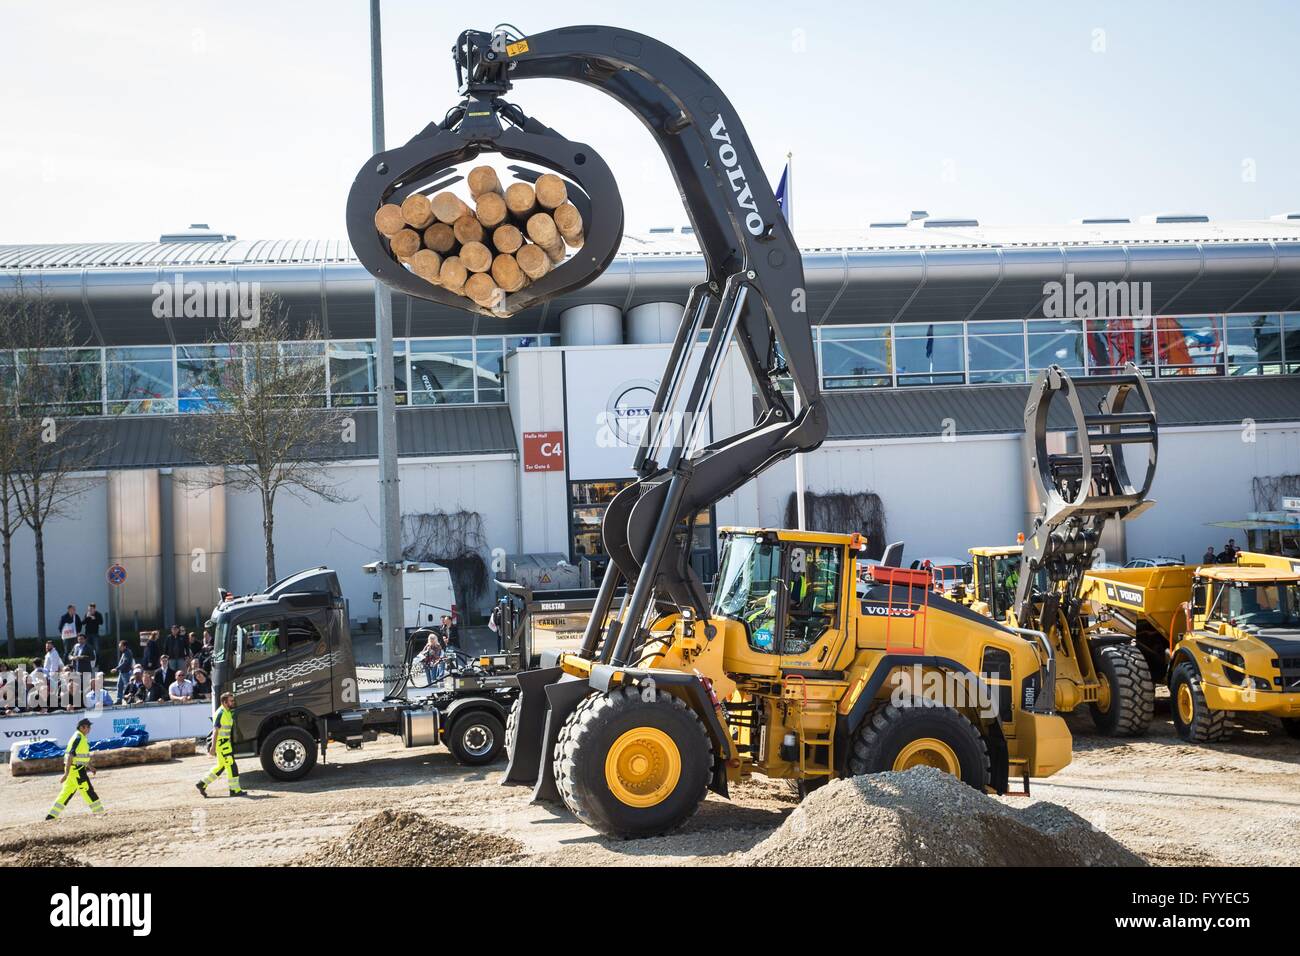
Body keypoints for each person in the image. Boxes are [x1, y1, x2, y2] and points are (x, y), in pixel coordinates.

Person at [46, 717, 105, 820]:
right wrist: (66, 773)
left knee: (66, 793)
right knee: (88, 791)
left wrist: (90, 767)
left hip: (75, 770)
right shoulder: (78, 738)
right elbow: (70, 756)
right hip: (77, 771)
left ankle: (51, 816)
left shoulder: (80, 737)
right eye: (88, 727)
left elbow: (80, 757)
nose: (89, 729)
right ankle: (99, 812)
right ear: (82, 727)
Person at [196, 692, 246, 798]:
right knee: (232, 767)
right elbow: (215, 731)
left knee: (221, 766)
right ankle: (234, 790)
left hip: (225, 744)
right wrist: (213, 747)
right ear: (224, 702)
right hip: (222, 745)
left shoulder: (227, 711)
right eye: (231, 701)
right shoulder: (220, 713)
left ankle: (202, 783)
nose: (233, 702)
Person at [114, 639, 134, 703]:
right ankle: (119, 700)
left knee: (127, 687)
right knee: (119, 686)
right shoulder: (125, 652)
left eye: (120, 646)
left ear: (125, 646)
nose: (119, 647)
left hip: (126, 673)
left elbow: (125, 663)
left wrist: (116, 668)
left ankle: (129, 699)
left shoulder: (127, 652)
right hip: (122, 672)